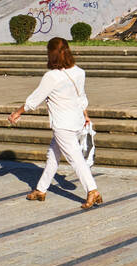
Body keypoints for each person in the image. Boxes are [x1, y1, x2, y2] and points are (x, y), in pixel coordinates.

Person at [7, 37, 103, 209]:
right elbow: (81, 98)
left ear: (51, 55)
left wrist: (17, 113)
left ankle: (92, 190)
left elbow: (35, 99)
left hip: (63, 125)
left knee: (76, 159)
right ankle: (41, 189)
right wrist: (86, 115)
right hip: (77, 122)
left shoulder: (51, 77)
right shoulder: (79, 72)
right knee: (52, 156)